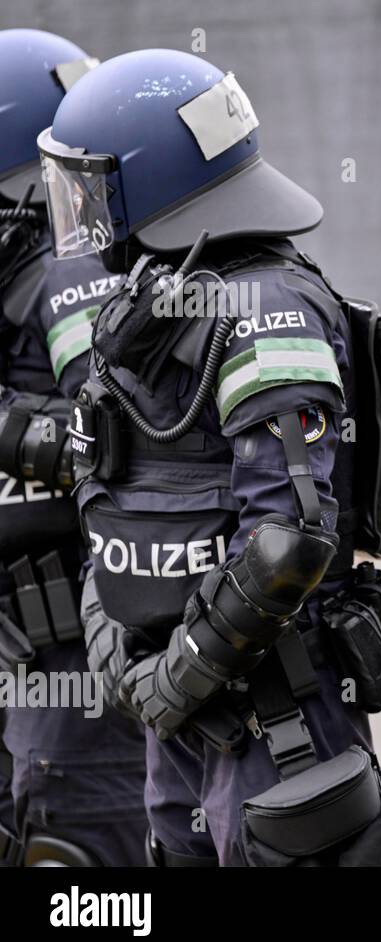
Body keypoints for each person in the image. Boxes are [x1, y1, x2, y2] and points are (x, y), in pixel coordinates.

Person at [41, 48, 381, 866]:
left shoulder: (269, 307)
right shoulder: (152, 296)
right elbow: (106, 485)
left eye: (91, 186)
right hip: (182, 706)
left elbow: (288, 539)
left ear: (158, 181)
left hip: (273, 707)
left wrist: (177, 674)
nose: (77, 211)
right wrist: (121, 645)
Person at [0, 28, 148, 867]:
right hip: (28, 652)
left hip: (71, 653)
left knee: (81, 864)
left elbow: (125, 434)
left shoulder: (68, 270)